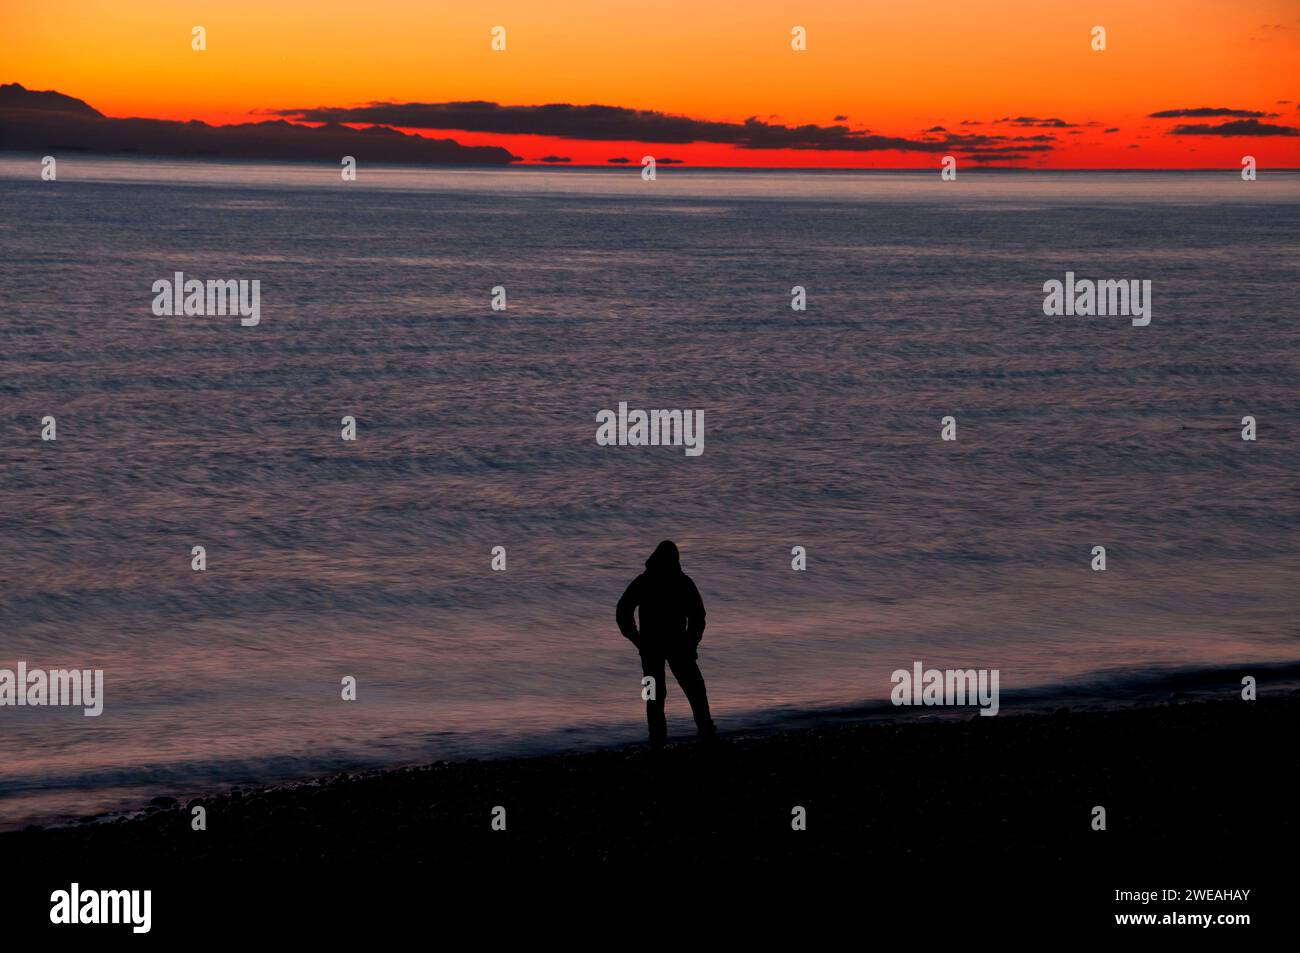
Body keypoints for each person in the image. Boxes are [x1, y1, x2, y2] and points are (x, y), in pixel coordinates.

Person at [616, 540, 716, 746]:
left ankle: (661, 737)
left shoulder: (648, 581)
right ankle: (701, 730)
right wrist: (636, 639)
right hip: (665, 646)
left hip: (666, 646)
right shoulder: (678, 582)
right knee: (688, 689)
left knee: (674, 691)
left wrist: (636, 639)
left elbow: (623, 611)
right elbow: (698, 617)